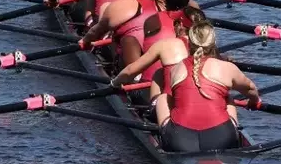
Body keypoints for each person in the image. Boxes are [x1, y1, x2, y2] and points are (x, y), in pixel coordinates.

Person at [111, 19, 260, 152]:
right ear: (213, 42)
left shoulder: (176, 69)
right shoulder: (227, 67)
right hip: (222, 139)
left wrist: (114, 84)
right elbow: (251, 89)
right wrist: (253, 102)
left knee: (164, 97)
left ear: (189, 42)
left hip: (180, 140)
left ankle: (161, 134)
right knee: (227, 97)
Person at [78, 0, 173, 72]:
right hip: (155, 66)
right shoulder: (159, 4)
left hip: (128, 66)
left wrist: (84, 41)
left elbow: (95, 32)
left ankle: (117, 71)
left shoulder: (119, 5)